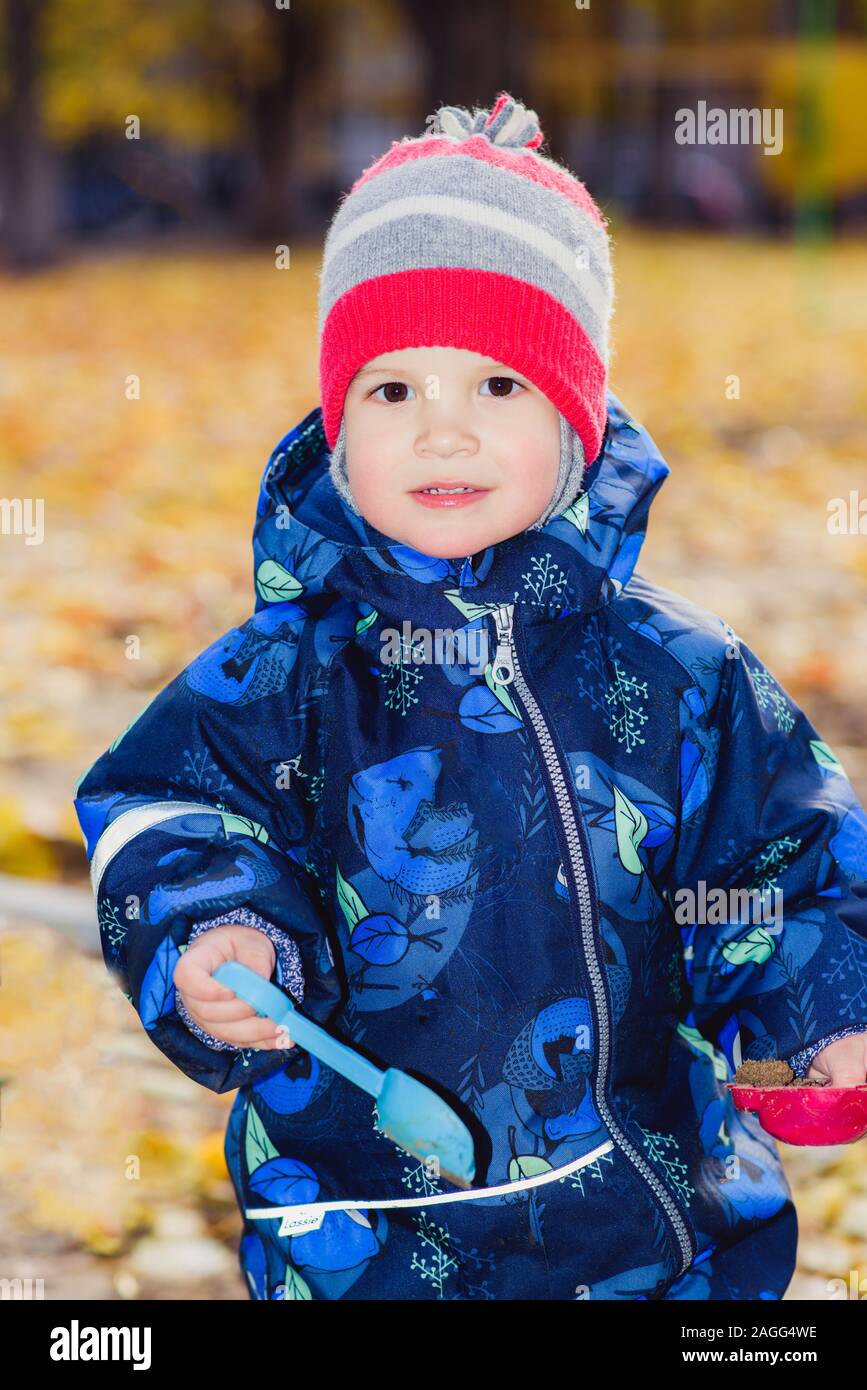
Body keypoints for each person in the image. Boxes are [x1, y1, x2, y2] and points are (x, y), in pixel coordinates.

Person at [73, 93, 867, 1301]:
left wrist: (820, 1010)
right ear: (341, 429)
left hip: (653, 1229)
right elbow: (170, 810)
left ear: (577, 418)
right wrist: (214, 929)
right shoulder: (282, 675)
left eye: (498, 387)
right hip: (362, 1222)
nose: (442, 433)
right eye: (393, 393)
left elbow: (782, 859)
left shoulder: (679, 675)